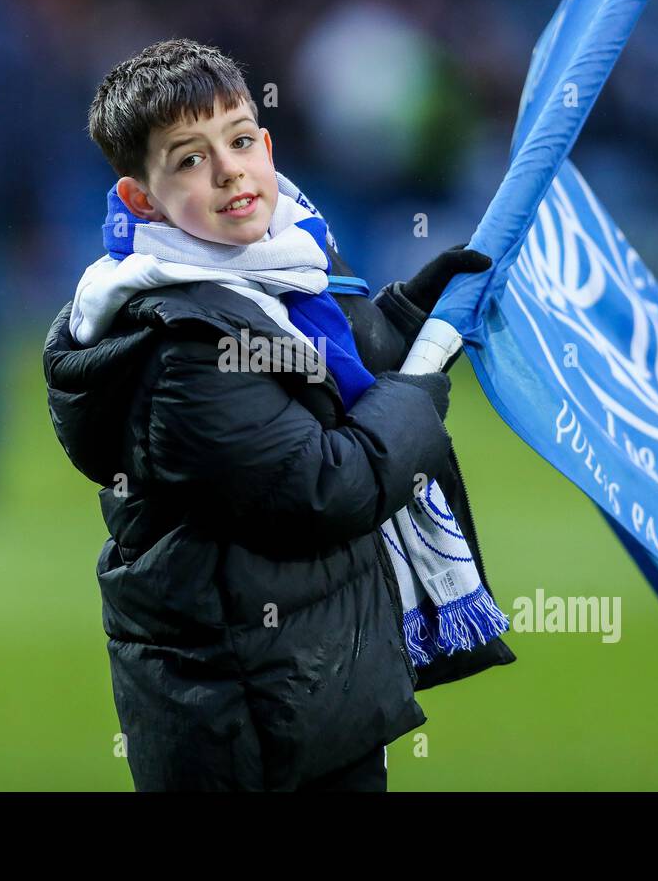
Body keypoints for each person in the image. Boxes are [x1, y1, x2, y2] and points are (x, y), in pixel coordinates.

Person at [43, 39, 514, 791]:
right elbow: (322, 490)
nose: (229, 170)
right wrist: (415, 406)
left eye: (237, 140)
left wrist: (403, 317)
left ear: (265, 144)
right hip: (245, 720)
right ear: (141, 199)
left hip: (304, 685)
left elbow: (311, 374)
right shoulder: (184, 345)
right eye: (190, 159)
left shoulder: (275, 264)